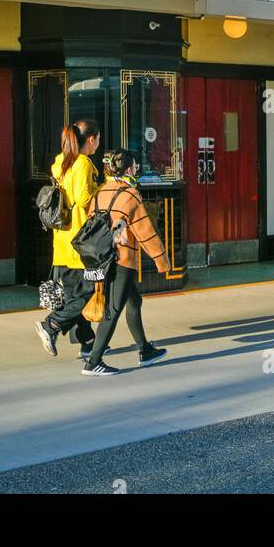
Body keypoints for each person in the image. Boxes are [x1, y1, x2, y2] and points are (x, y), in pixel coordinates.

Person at [82, 149, 171, 377]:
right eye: (135, 166)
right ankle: (93, 362)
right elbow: (144, 232)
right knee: (112, 310)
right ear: (128, 169)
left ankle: (145, 350)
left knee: (134, 301)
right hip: (123, 259)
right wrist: (162, 261)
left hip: (102, 259)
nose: (137, 170)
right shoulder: (130, 195)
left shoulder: (100, 193)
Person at [35, 119, 101, 359]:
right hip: (81, 241)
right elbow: (84, 198)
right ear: (91, 139)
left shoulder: (60, 162)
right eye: (98, 139)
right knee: (89, 293)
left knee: (76, 294)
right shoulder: (82, 163)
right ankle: (51, 325)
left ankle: (87, 342)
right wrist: (103, 189)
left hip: (62, 240)